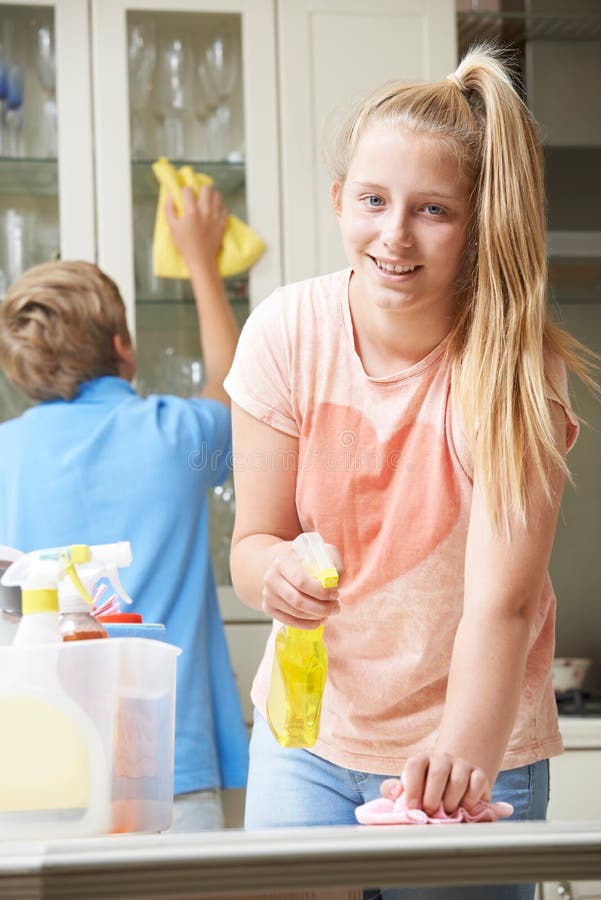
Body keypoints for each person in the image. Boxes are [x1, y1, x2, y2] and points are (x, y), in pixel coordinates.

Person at [223, 45, 597, 899]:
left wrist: (461, 752)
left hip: (471, 747)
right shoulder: (286, 333)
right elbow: (252, 543)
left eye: (432, 209)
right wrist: (272, 573)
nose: (392, 235)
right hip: (308, 741)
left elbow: (501, 602)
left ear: (477, 223)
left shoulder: (511, 363)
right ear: (338, 201)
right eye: (372, 200)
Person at [0, 184, 248, 832]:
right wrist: (201, 258)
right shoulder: (176, 439)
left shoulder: (5, 452)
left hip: (37, 769)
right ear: (122, 348)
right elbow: (232, 386)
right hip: (168, 770)